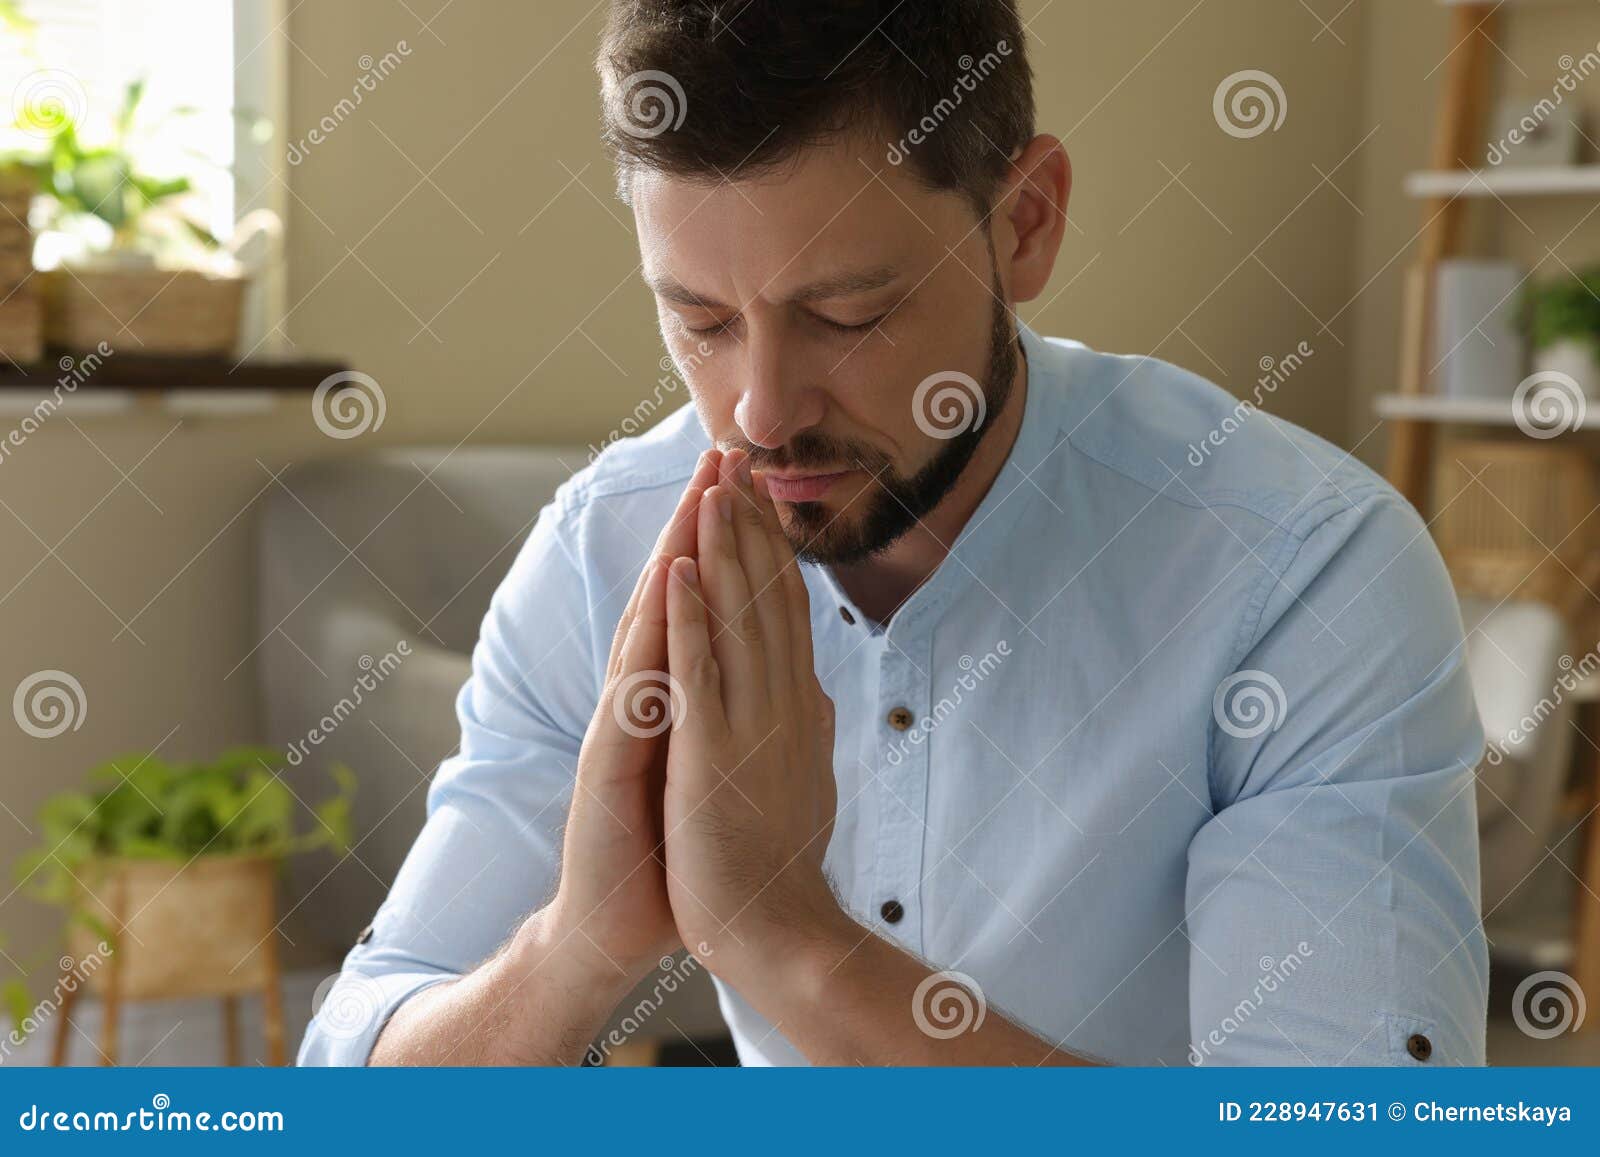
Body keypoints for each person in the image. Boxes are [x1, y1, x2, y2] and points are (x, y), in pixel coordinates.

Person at [300, 0, 1487, 1067]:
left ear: (1024, 223)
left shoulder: (1301, 567)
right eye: (700, 321)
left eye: (846, 314)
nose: (761, 410)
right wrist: (575, 945)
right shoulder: (607, 552)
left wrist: (782, 936)